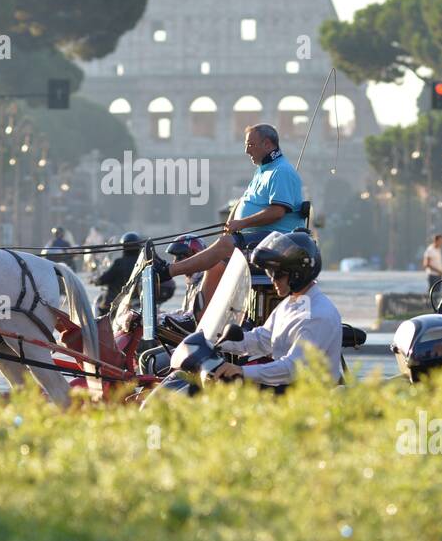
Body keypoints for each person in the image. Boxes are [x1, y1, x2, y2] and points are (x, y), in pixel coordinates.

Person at [154, 124, 304, 304]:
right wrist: (232, 222)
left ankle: (167, 271)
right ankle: (200, 318)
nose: (246, 150)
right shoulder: (264, 170)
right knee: (215, 265)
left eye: (250, 145)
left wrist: (242, 224)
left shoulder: (282, 171)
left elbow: (277, 212)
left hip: (276, 241)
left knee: (225, 244)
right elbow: (246, 201)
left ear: (267, 144)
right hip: (258, 238)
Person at [206, 230, 342, 389]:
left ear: (297, 274)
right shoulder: (293, 303)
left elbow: (292, 368)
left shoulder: (318, 314)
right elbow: (262, 339)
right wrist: (215, 340)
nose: (272, 279)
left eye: (277, 274)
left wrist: (242, 371)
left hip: (308, 398)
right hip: (287, 390)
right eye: (269, 273)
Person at [92, 231, 143, 316]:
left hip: (116, 303)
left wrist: (97, 281)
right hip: (139, 301)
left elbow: (104, 279)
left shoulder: (119, 263)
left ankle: (98, 327)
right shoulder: (143, 263)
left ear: (123, 247)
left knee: (98, 307)